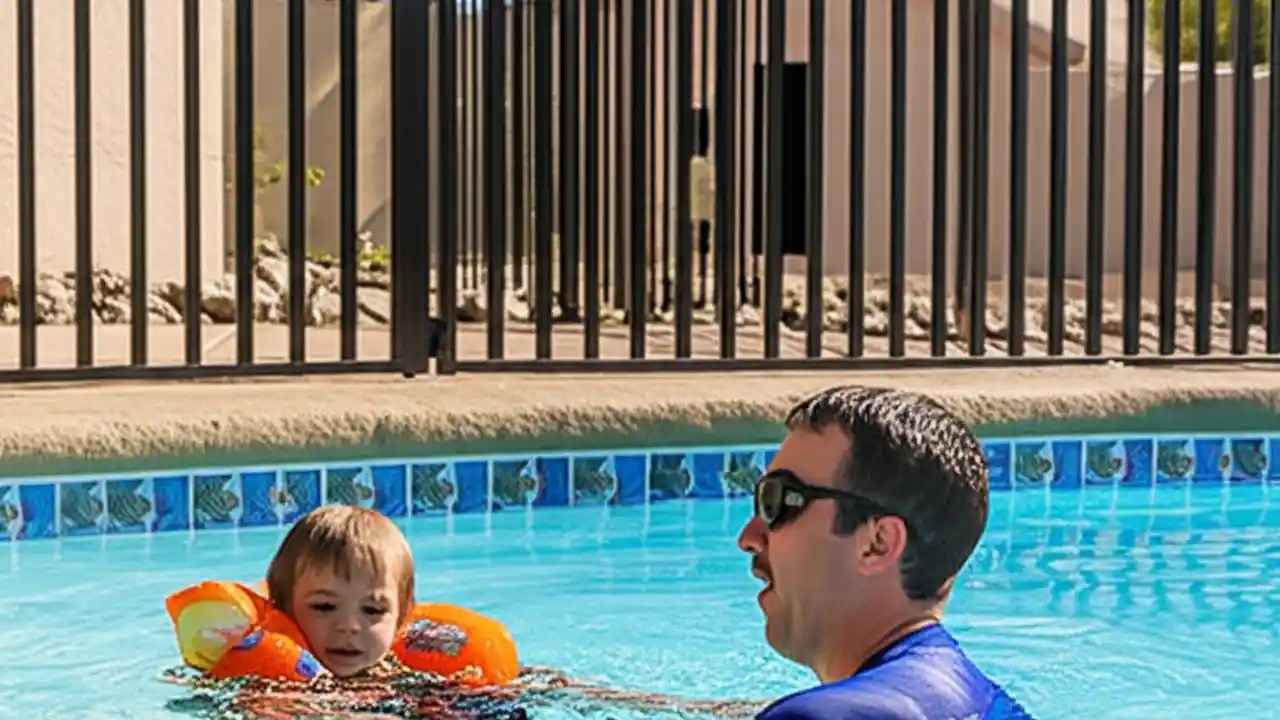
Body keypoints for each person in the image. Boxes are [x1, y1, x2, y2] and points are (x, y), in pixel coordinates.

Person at [738, 386, 1033, 719]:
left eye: (779, 501)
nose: (749, 537)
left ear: (877, 543)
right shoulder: (988, 703)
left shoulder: (819, 717)